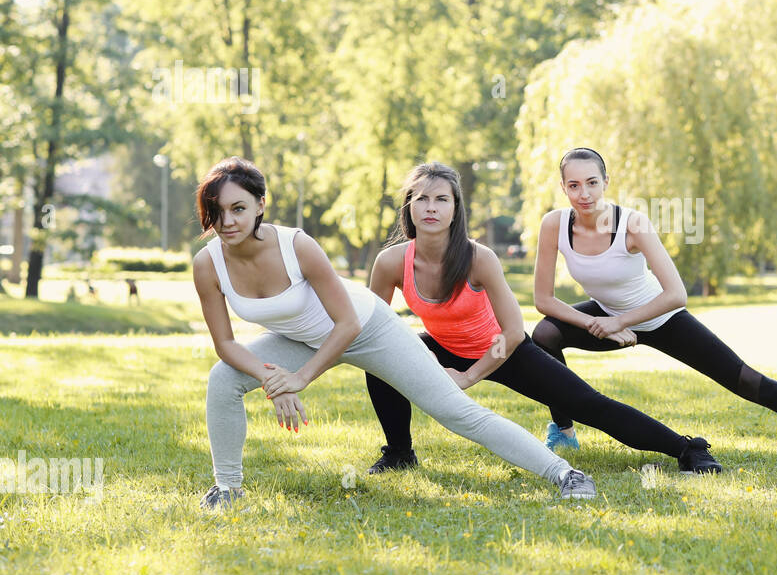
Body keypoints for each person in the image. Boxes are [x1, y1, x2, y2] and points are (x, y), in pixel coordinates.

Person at [192, 156, 596, 511]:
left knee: (455, 411)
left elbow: (347, 323)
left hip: (368, 328)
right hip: (300, 339)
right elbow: (226, 344)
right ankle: (227, 489)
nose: (227, 222)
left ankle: (564, 474)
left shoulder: (296, 245)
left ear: (261, 204)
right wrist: (271, 378)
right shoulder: (208, 263)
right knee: (223, 378)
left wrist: (298, 379)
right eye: (218, 210)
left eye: (238, 208)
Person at [363, 161, 722, 475]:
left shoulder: (479, 258)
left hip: (505, 350)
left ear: (456, 209)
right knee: (380, 361)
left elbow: (514, 330)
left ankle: (687, 449)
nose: (430, 207)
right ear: (408, 207)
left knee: (587, 404)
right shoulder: (391, 262)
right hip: (443, 345)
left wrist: (469, 375)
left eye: (441, 199)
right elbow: (375, 329)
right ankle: (399, 452)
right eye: (421, 199)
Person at [530, 148, 777, 455]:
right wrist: (600, 323)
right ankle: (563, 432)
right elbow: (543, 299)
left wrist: (619, 323)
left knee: (746, 381)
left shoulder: (632, 224)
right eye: (573, 185)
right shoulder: (554, 225)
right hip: (607, 316)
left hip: (660, 317)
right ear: (563, 188)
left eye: (592, 182)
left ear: (606, 180)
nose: (584, 193)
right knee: (545, 336)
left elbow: (676, 294)